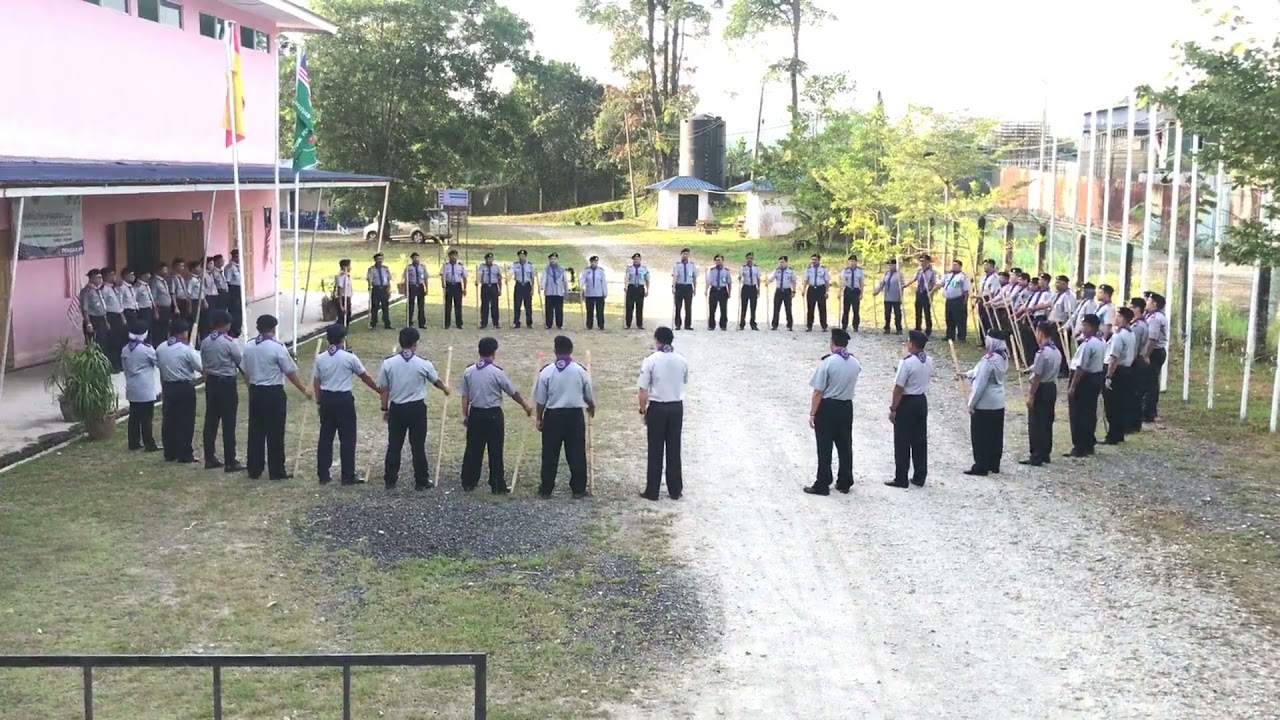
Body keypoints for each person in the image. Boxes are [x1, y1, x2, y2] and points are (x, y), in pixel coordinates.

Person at [377, 327, 450, 490]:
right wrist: (445, 388)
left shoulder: (388, 363)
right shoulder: (423, 363)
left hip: (397, 408)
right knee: (418, 445)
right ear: (415, 344)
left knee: (394, 445)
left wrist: (385, 408)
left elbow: (384, 388)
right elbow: (435, 381)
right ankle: (421, 480)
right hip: (416, 409)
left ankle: (390, 479)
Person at [242, 314, 312, 480]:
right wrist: (303, 389)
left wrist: (250, 387)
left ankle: (254, 468)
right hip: (273, 392)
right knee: (275, 432)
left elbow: (245, 371)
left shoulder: (249, 346)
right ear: (273, 329)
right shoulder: (277, 348)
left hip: (256, 391)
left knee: (255, 431)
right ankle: (276, 470)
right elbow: (289, 372)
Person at [460, 337, 534, 493]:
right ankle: (497, 484)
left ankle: (468, 481)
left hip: (476, 413)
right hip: (493, 415)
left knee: (473, 449)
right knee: (495, 449)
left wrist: (465, 415)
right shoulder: (496, 372)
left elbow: (465, 396)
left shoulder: (469, 371)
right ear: (494, 353)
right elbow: (512, 392)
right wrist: (525, 406)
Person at [313, 324, 380, 486]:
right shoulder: (349, 358)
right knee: (348, 438)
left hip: (327, 398)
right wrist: (380, 390)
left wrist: (319, 401)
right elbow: (365, 377)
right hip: (343, 399)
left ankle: (323, 474)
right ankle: (347, 475)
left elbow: (317, 381)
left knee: (325, 438)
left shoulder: (320, 358)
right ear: (343, 339)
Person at [534, 335, 595, 499]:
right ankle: (578, 489)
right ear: (571, 350)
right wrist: (591, 406)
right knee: (576, 452)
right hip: (574, 416)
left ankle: (546, 488)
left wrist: (539, 418)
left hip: (553, 416)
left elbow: (541, 399)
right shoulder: (579, 370)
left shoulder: (546, 371)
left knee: (549, 453)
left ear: (554, 351)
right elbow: (588, 392)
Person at [804, 328, 861, 495]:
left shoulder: (827, 363)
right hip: (846, 406)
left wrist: (813, 413)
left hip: (828, 407)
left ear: (832, 343)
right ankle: (845, 480)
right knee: (845, 445)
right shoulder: (854, 362)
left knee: (824, 446)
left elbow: (818, 391)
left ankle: (822, 482)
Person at [637, 327, 689, 500]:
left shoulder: (650, 360)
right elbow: (684, 381)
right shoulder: (682, 360)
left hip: (658, 406)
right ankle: (675, 489)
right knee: (674, 447)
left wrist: (643, 409)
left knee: (655, 449)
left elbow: (643, 389)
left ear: (657, 340)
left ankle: (652, 490)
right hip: (676, 406)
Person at [886, 330, 933, 488]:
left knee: (902, 440)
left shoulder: (906, 362)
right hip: (921, 399)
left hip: (907, 402)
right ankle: (920, 476)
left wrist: (893, 408)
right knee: (919, 440)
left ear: (912, 344)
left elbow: (899, 388)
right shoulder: (928, 360)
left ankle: (901, 477)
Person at [201, 310, 244, 473]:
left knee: (211, 420)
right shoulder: (229, 342)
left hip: (211, 382)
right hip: (226, 383)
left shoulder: (205, 342)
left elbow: (204, 362)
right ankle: (230, 461)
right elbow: (240, 361)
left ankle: (209, 457)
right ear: (226, 325)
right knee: (228, 422)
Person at [963, 329, 1008, 476]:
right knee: (995, 434)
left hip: (985, 403)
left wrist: (972, 403)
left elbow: (980, 383)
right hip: (998, 401)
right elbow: (978, 371)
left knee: (980, 435)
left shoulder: (988, 360)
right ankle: (994, 463)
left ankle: (981, 465)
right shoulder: (1002, 357)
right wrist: (966, 375)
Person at [156, 318, 202, 464]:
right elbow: (200, 367)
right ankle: (184, 453)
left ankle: (169, 452)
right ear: (183, 333)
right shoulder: (186, 350)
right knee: (185, 421)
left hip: (168, 386)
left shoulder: (161, 348)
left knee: (169, 421)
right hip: (184, 387)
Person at [1064, 313, 1107, 459]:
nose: (1083, 328)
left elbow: (1081, 367)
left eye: (1085, 325)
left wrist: (1073, 387)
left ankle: (1080, 445)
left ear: (1091, 327)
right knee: (1089, 412)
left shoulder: (1089, 344)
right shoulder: (1101, 341)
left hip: (1085, 379)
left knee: (1079, 413)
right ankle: (1089, 442)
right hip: (1096, 377)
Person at [1022, 321, 1062, 466]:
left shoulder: (1042, 352)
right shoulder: (1055, 350)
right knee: (1047, 421)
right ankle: (1045, 452)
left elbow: (1037, 376)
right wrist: (1029, 369)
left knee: (1036, 422)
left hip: (1041, 388)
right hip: (1051, 386)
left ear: (1041, 333)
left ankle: (1036, 455)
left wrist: (1031, 395)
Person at [121, 320, 160, 453]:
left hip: (131, 386)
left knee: (134, 417)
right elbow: (158, 362)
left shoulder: (125, 349)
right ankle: (149, 444)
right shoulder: (146, 349)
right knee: (147, 418)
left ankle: (134, 442)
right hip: (145, 388)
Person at [1103, 307, 1137, 445]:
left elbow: (1114, 358)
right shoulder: (1131, 334)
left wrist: (1109, 376)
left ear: (1123, 318)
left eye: (1117, 316)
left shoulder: (1118, 336)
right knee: (1122, 404)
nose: (1114, 318)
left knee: (1112, 405)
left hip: (1117, 371)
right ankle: (1119, 433)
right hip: (1127, 370)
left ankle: (1113, 434)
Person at [1142, 292, 1169, 423]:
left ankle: (1149, 412)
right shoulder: (1151, 316)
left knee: (1151, 383)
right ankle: (1147, 410)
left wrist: (1146, 355)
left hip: (1154, 352)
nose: (1146, 302)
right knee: (1148, 381)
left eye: (1149, 301)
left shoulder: (1155, 318)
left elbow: (1152, 338)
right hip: (1153, 351)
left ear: (1155, 304)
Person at [1127, 296, 1150, 432]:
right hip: (1137, 359)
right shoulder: (1138, 323)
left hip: (1135, 360)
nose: (1131, 309)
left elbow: (1133, 347)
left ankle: (1133, 424)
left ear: (1138, 309)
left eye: (1132, 307)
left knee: (1133, 394)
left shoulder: (1137, 326)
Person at [101, 267, 126, 372]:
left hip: (118, 316)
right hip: (110, 317)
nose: (114, 277)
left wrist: (123, 317)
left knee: (120, 341)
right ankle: (112, 365)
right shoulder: (103, 290)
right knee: (112, 342)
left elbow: (119, 305)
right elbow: (103, 307)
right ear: (106, 276)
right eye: (111, 275)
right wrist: (106, 320)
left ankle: (120, 364)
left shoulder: (115, 288)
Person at [906, 255, 938, 335]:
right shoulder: (919, 271)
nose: (922, 263)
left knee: (927, 311)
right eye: (921, 261)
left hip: (927, 292)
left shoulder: (932, 272)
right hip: (919, 292)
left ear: (927, 262)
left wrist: (931, 292)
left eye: (923, 261)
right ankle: (918, 327)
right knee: (918, 310)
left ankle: (928, 329)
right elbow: (914, 279)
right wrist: (906, 285)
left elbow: (934, 283)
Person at [79, 269, 110, 351]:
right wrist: (88, 324)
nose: (100, 280)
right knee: (93, 344)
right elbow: (84, 309)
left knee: (103, 342)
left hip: (101, 319)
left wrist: (106, 321)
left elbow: (102, 308)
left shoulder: (98, 290)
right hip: (93, 319)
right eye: (98, 277)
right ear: (92, 278)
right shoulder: (86, 291)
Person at [940, 260, 970, 342]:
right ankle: (950, 335)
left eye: (956, 265)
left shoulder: (962, 276)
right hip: (949, 300)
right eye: (953, 265)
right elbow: (940, 284)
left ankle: (961, 336)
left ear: (960, 267)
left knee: (960, 319)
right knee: (949, 318)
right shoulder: (948, 276)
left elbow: (966, 290)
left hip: (958, 300)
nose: (954, 266)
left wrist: (965, 301)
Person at [873, 258, 905, 335]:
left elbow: (902, 286)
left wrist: (901, 297)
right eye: (889, 265)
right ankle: (887, 328)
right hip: (887, 297)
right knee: (887, 313)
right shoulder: (886, 274)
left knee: (897, 314)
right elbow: (882, 284)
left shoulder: (899, 275)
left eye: (892, 265)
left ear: (895, 265)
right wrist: (877, 291)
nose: (890, 267)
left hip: (896, 297)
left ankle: (898, 329)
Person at [439, 249, 467, 329]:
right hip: (449, 285)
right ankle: (447, 323)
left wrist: (465, 288)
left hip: (457, 286)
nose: (453, 257)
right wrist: (443, 284)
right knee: (448, 305)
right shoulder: (445, 266)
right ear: (449, 257)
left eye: (455, 256)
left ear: (457, 257)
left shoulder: (460, 266)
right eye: (452, 256)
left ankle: (459, 323)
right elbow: (442, 275)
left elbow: (464, 277)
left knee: (458, 305)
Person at [671, 248, 698, 331]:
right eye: (684, 254)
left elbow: (694, 277)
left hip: (688, 287)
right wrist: (674, 287)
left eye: (687, 254)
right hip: (680, 286)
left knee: (688, 307)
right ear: (681, 255)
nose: (685, 255)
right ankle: (678, 324)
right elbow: (675, 276)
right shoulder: (677, 265)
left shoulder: (692, 265)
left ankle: (688, 325)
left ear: (689, 255)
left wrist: (695, 288)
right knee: (678, 306)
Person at [802, 253, 830, 332]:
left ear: (819, 260)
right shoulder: (808, 269)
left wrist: (827, 292)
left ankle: (824, 326)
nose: (813, 261)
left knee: (822, 308)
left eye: (815, 260)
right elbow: (806, 280)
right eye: (812, 260)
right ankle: (809, 326)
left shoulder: (823, 269)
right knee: (810, 308)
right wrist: (803, 290)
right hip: (811, 289)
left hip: (821, 289)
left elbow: (827, 281)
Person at [511, 249, 537, 329]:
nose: (521, 257)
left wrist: (532, 288)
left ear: (526, 256)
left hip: (527, 286)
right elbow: (511, 272)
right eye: (520, 255)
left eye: (523, 255)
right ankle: (516, 322)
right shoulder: (515, 265)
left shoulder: (530, 266)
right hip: (519, 285)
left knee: (528, 305)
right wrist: (508, 278)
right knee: (517, 305)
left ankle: (529, 323)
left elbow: (532, 278)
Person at [541, 252, 568, 329]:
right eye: (551, 259)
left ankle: (559, 324)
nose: (553, 260)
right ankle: (548, 324)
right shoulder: (546, 269)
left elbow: (565, 280)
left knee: (559, 309)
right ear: (549, 260)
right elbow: (543, 278)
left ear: (557, 259)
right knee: (549, 309)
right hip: (549, 292)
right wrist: (542, 286)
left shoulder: (562, 269)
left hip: (559, 292)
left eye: (554, 259)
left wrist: (566, 290)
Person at [476, 252, 503, 329]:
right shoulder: (482, 267)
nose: (489, 260)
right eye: (488, 259)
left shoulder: (496, 267)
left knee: (495, 306)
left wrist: (500, 289)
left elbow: (499, 278)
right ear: (485, 259)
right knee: (485, 305)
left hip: (493, 287)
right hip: (485, 287)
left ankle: (496, 323)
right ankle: (484, 323)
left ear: (493, 259)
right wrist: (477, 281)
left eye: (490, 259)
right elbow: (479, 275)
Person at [975, 259, 1001, 340]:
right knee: (981, 319)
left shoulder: (996, 278)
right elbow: (980, 288)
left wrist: (987, 300)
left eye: (987, 265)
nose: (985, 267)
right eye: (984, 265)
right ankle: (982, 339)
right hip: (981, 299)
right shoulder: (983, 276)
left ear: (992, 267)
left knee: (988, 320)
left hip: (989, 299)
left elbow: (993, 291)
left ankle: (988, 339)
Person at [706, 254, 732, 331]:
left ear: (722, 261)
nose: (718, 261)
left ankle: (723, 325)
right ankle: (711, 325)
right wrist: (706, 290)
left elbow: (729, 282)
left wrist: (729, 292)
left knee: (723, 309)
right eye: (716, 260)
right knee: (712, 308)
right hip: (714, 290)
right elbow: (708, 281)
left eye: (719, 260)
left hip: (723, 290)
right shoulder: (711, 271)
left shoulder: (726, 271)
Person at [367, 253, 393, 330]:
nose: (380, 261)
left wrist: (389, 290)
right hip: (376, 288)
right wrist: (369, 287)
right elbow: (369, 280)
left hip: (384, 289)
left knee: (385, 307)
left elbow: (388, 280)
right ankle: (373, 323)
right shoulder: (371, 269)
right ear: (375, 260)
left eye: (381, 259)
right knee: (375, 307)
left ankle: (387, 323)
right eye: (378, 259)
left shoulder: (386, 269)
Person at [149, 263, 173, 346]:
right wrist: (155, 311)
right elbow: (153, 297)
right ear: (159, 270)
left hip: (167, 308)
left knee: (165, 329)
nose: (166, 272)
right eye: (164, 270)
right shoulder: (155, 281)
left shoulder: (164, 281)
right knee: (159, 330)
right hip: (160, 308)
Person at [840, 255, 865, 333]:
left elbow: (861, 283)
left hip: (856, 291)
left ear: (856, 262)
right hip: (848, 290)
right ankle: (844, 326)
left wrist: (861, 293)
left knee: (856, 310)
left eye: (853, 261)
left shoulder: (860, 271)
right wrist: (840, 292)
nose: (852, 263)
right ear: (848, 262)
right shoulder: (845, 271)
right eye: (850, 261)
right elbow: (842, 282)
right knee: (846, 309)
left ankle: (855, 326)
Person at [625, 253, 650, 330]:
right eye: (635, 259)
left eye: (637, 259)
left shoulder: (644, 269)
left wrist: (647, 290)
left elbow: (647, 280)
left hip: (640, 288)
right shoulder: (629, 268)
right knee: (629, 306)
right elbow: (626, 278)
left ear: (640, 260)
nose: (636, 261)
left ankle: (639, 324)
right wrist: (625, 287)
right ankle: (628, 324)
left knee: (639, 307)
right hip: (631, 288)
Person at [771, 255, 796, 331]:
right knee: (776, 308)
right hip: (778, 291)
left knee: (788, 308)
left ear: (786, 262)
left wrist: (794, 291)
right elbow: (771, 278)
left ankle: (789, 325)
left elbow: (793, 281)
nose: (781, 264)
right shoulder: (776, 270)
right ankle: (774, 325)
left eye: (783, 262)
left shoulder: (791, 271)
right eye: (780, 262)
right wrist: (767, 281)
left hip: (787, 291)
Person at [404, 252, 428, 329]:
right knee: (411, 305)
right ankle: (409, 321)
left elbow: (426, 279)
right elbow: (406, 279)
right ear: (412, 259)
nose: (416, 259)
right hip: (412, 286)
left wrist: (426, 288)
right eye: (414, 258)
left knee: (421, 306)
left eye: (417, 258)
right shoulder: (409, 268)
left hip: (420, 287)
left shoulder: (423, 267)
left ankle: (422, 323)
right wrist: (406, 289)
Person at [582, 255, 607, 330]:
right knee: (589, 311)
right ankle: (589, 325)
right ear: (590, 262)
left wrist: (605, 292)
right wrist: (581, 286)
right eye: (592, 262)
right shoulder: (586, 271)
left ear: (597, 262)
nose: (594, 263)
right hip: (589, 294)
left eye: (595, 262)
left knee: (600, 311)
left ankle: (601, 325)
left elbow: (604, 282)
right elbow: (583, 279)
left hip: (599, 294)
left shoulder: (601, 271)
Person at [739, 252, 762, 331]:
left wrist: (758, 289)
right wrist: (740, 277)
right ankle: (742, 323)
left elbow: (758, 279)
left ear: (753, 259)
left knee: (753, 307)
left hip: (753, 288)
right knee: (744, 307)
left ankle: (753, 324)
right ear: (746, 259)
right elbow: (741, 276)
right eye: (748, 258)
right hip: (746, 287)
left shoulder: (756, 268)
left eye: (751, 258)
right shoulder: (743, 267)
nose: (749, 260)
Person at [225, 249, 245, 335]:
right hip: (233, 290)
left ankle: (238, 328)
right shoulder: (230, 267)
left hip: (240, 288)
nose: (239, 258)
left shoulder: (239, 266)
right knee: (234, 311)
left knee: (240, 310)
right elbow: (228, 281)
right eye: (237, 256)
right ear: (233, 257)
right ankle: (233, 329)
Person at [134, 268, 156, 340]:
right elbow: (134, 298)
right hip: (143, 310)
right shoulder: (138, 286)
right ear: (143, 276)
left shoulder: (147, 285)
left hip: (149, 309)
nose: (150, 276)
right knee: (144, 328)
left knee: (150, 328)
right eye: (148, 274)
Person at [333, 259, 354, 327]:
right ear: (345, 267)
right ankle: (339, 331)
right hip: (343, 298)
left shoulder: (346, 275)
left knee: (348, 316)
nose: (350, 268)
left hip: (347, 298)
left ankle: (344, 330)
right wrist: (341, 305)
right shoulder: (341, 276)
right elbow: (339, 290)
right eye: (349, 266)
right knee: (342, 317)